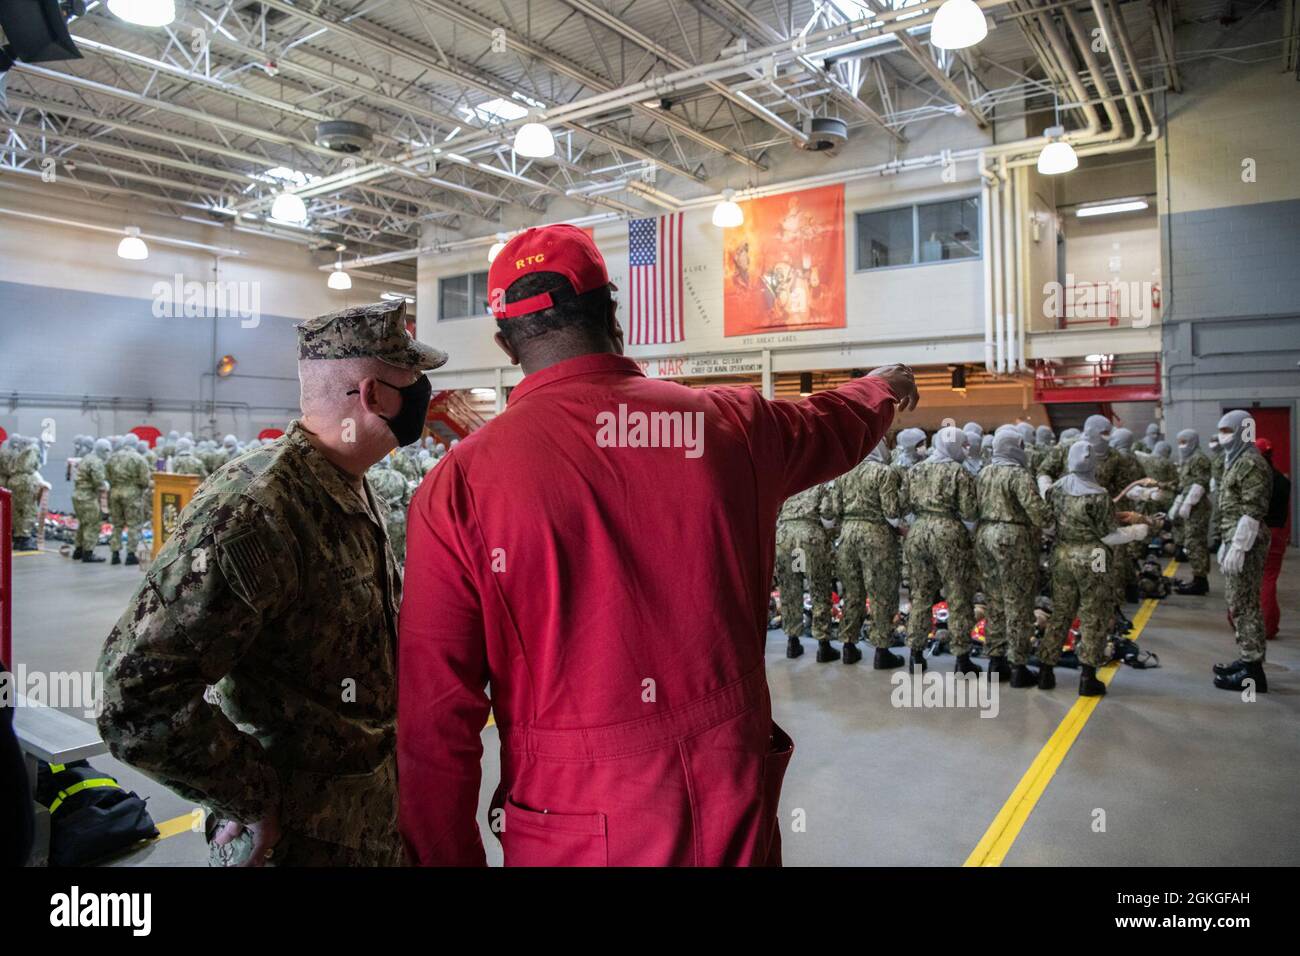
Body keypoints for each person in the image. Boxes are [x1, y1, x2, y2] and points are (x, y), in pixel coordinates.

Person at [396, 224, 916, 867]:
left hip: (573, 822)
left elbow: (435, 721)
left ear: (506, 344)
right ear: (612, 313)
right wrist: (884, 386)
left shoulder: (460, 487)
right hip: (731, 797)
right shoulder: (731, 427)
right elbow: (833, 422)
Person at [97, 299, 446, 866]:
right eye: (414, 380)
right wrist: (249, 797)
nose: (423, 395)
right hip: (295, 844)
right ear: (375, 395)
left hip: (368, 827)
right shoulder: (256, 508)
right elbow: (136, 695)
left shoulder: (351, 485)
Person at [1040, 441, 1151, 695]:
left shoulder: (1056, 489)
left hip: (1063, 555)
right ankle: (1088, 677)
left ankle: (1046, 670)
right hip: (1096, 557)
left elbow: (1050, 522)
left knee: (1060, 613)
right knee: (1094, 613)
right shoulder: (1098, 495)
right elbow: (1109, 536)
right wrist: (1137, 531)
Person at [901, 425, 980, 675]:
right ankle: (962, 658)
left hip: (918, 531)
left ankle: (915, 655)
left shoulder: (916, 470)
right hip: (949, 533)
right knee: (957, 596)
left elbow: (903, 505)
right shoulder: (959, 472)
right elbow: (969, 514)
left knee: (921, 595)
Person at [976, 426, 1049, 686]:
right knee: (1018, 601)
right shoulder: (1019, 475)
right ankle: (1018, 665)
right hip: (1013, 539)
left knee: (994, 600)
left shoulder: (983, 473)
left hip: (985, 536)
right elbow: (1038, 513)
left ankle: (995, 662)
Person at [1212, 411, 1273, 693]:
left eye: (1227, 430)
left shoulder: (1250, 462)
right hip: (1235, 538)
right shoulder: (1234, 459)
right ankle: (1247, 658)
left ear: (1242, 430)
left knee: (1244, 604)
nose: (1223, 435)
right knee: (1238, 601)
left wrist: (1238, 545)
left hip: (1246, 543)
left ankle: (1253, 673)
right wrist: (1228, 540)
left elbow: (1253, 509)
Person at [830, 438, 905, 669]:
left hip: (848, 535)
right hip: (877, 535)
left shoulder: (844, 473)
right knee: (881, 592)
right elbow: (892, 514)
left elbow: (834, 510)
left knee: (852, 592)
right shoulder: (884, 473)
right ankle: (882, 650)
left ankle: (848, 646)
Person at [776, 481, 838, 661]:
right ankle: (823, 645)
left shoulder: (788, 484)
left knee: (790, 589)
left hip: (786, 536)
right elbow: (828, 519)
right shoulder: (821, 484)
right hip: (809, 537)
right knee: (819, 589)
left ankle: (792, 642)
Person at [1254, 438, 1290, 640]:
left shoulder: (1257, 480)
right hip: (1278, 533)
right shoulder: (1283, 480)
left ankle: (1242, 621)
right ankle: (1269, 626)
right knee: (1269, 579)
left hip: (1258, 531)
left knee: (1249, 580)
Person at [1170, 428, 1213, 594]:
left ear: (1193, 441)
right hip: (1191, 507)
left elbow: (1200, 483)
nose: (1181, 446)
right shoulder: (1188, 459)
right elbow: (1185, 484)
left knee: (1195, 543)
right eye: (1179, 442)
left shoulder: (1198, 458)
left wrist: (1187, 503)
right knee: (1192, 542)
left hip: (1197, 508)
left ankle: (1200, 581)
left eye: (1184, 442)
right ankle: (1198, 578)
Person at [105, 433, 151, 565]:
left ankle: (115, 554)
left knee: (117, 524)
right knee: (133, 524)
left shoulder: (112, 458)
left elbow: (106, 476)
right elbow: (145, 480)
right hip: (132, 494)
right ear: (136, 443)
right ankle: (131, 554)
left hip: (114, 493)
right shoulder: (139, 459)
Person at [72, 438, 111, 563]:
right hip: (88, 496)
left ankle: (78, 550)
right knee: (92, 524)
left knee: (83, 523)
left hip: (78, 494)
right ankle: (88, 553)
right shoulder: (96, 462)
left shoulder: (87, 458)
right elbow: (98, 481)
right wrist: (105, 485)